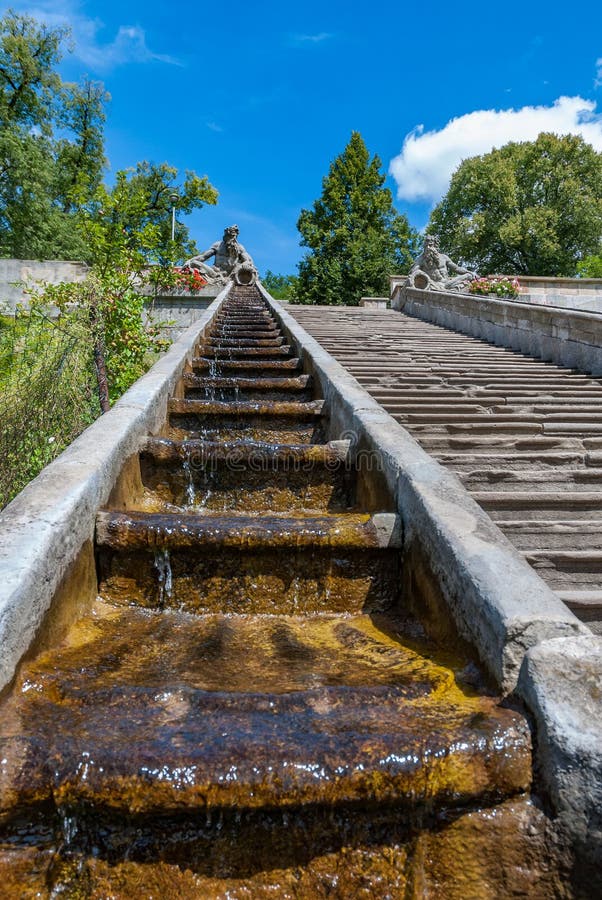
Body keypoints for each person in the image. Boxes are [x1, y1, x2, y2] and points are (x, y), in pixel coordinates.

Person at [184, 225, 257, 285]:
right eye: (229, 236)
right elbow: (203, 257)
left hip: (230, 276)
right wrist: (189, 261)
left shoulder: (240, 248)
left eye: (233, 237)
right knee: (193, 263)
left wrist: (241, 266)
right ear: (225, 236)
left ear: (235, 237)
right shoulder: (217, 245)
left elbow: (248, 261)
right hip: (214, 273)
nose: (231, 239)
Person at [408, 234, 476, 292]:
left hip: (447, 284)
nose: (429, 248)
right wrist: (423, 268)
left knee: (469, 275)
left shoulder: (444, 257)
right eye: (427, 246)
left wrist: (469, 272)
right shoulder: (420, 259)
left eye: (431, 245)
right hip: (433, 285)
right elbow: (413, 272)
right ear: (424, 246)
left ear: (435, 245)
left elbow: (456, 268)